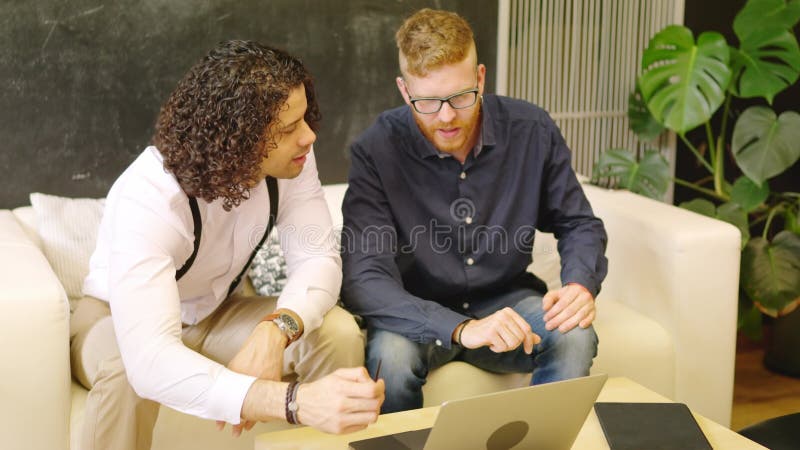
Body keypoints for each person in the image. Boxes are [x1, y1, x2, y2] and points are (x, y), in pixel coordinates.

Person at [72, 40, 384, 450]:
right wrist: (291, 402)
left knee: (337, 333)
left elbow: (318, 259)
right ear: (237, 137)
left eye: (305, 118)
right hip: (115, 318)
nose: (308, 136)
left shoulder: (294, 162)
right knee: (127, 375)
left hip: (217, 311)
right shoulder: (149, 195)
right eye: (288, 129)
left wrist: (275, 331)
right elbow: (149, 361)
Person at [340, 9, 608, 413]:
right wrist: (461, 329)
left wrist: (579, 284)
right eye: (427, 102)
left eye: (461, 97)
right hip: (417, 314)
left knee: (575, 335)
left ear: (481, 78)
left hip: (508, 301)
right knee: (390, 362)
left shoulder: (531, 129)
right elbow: (364, 276)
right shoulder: (375, 150)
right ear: (403, 89)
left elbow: (578, 223)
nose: (446, 116)